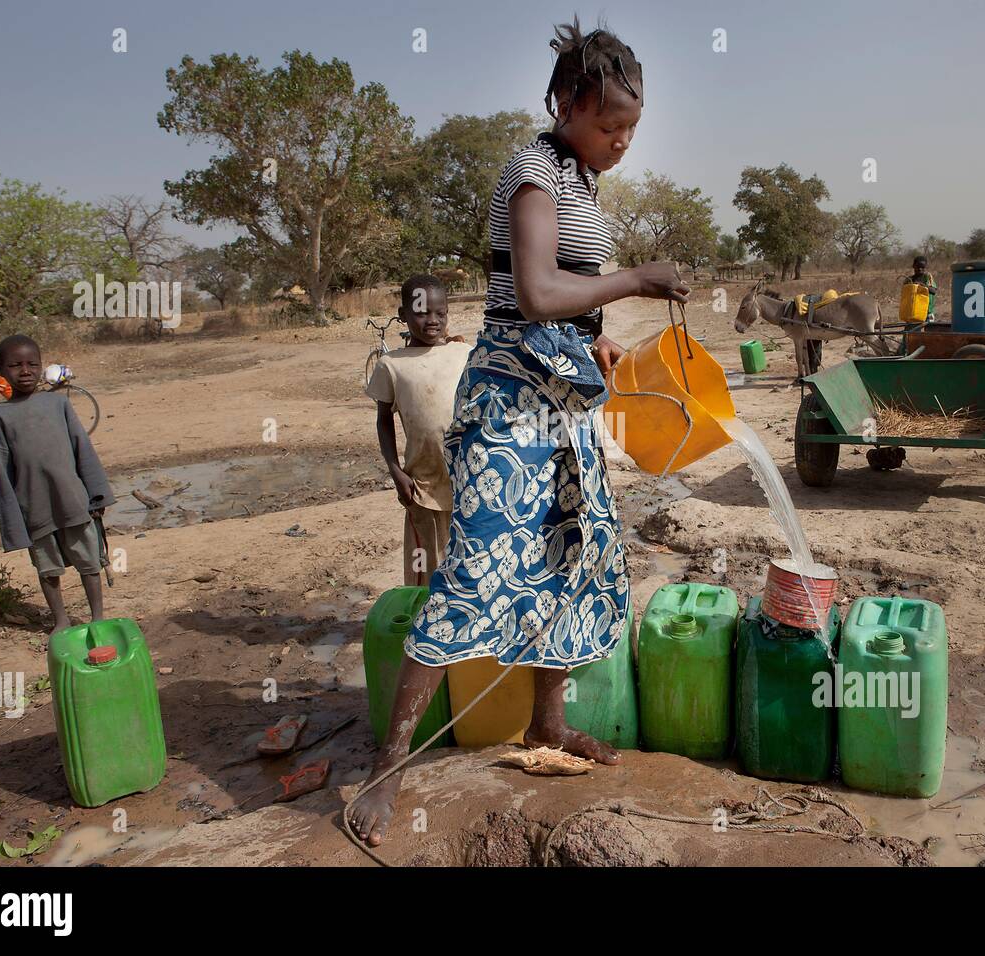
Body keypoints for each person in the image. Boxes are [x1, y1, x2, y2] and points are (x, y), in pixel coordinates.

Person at [350, 16, 689, 847]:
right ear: (567, 103)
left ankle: (546, 723)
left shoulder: (580, 180)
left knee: (574, 557)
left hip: (564, 404)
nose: (621, 143)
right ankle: (388, 766)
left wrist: (600, 336)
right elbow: (533, 294)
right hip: (509, 405)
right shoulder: (533, 172)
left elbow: (566, 301)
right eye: (609, 126)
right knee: (475, 567)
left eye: (631, 130)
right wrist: (638, 277)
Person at [0, 334, 114, 633]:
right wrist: (14, 523)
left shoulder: (58, 404)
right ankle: (61, 620)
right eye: (15, 365)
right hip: (35, 507)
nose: (25, 370)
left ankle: (98, 618)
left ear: (42, 366)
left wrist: (97, 495)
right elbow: (2, 472)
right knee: (47, 568)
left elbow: (82, 448)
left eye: (32, 364)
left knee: (89, 561)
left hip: (73, 499)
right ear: (1, 371)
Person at [365, 275, 472, 586]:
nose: (432, 321)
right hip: (421, 482)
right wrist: (394, 469)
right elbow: (383, 419)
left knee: (468, 558)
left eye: (440, 313)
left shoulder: (464, 354)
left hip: (467, 479)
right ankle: (422, 620)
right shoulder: (392, 364)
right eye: (422, 312)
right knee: (425, 563)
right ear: (403, 315)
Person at [903, 255, 938, 320]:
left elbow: (933, 291)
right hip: (912, 312)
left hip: (927, 312)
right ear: (913, 266)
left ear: (925, 267)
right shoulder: (909, 280)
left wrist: (922, 285)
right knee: (912, 329)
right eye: (918, 267)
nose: (920, 269)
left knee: (928, 329)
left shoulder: (928, 277)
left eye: (922, 267)